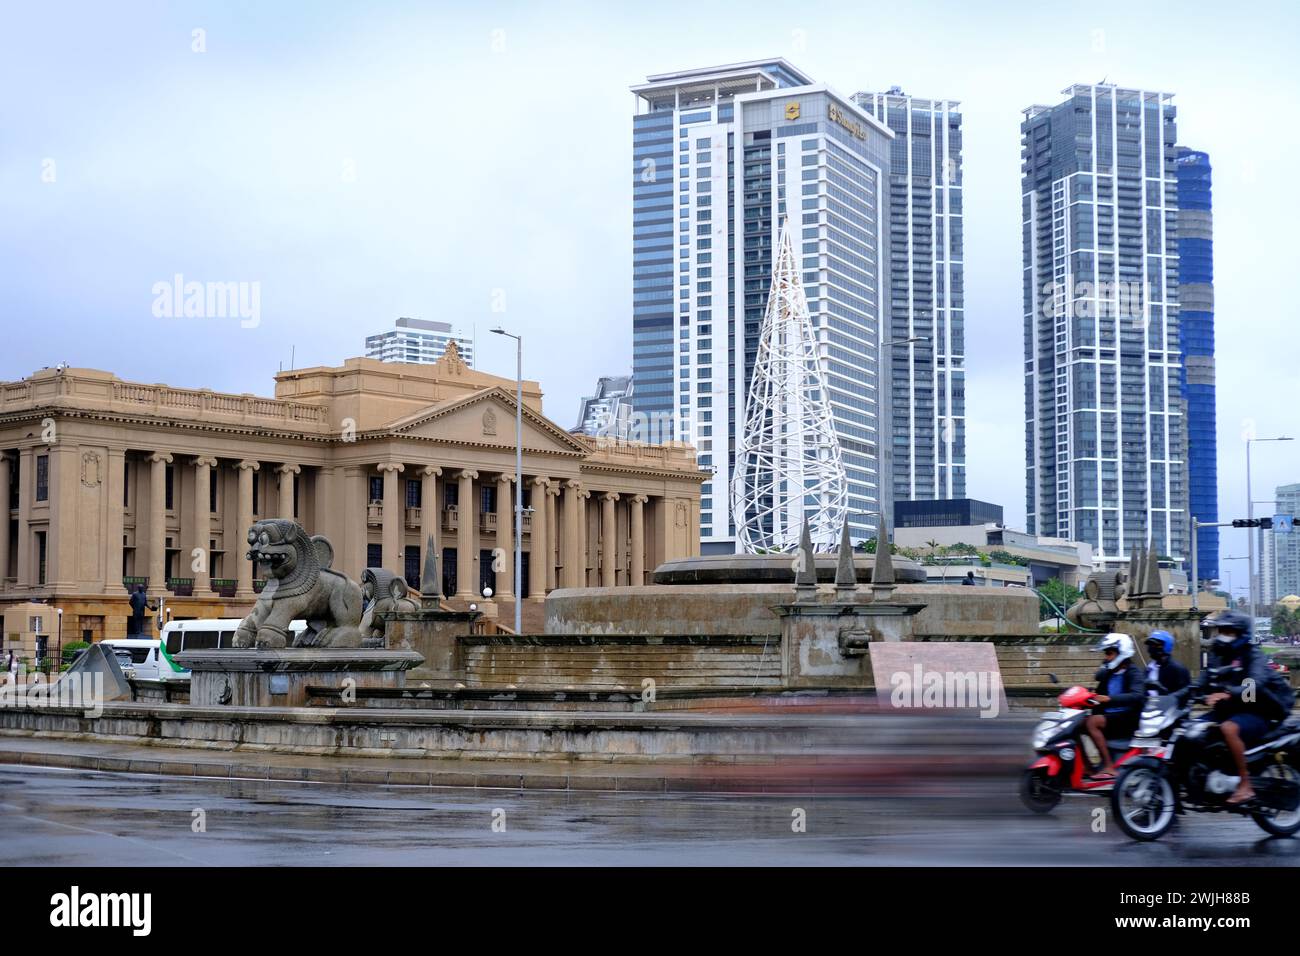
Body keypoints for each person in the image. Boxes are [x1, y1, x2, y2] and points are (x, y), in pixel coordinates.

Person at [1195, 609, 1295, 805]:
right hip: (1228, 710)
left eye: (1229, 631)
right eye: (1221, 630)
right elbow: (1204, 679)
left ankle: (1245, 784)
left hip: (1257, 711)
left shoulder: (1253, 655)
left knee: (1228, 729)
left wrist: (1228, 692)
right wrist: (1189, 692)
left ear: (1241, 634)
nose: (1223, 635)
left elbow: (1254, 685)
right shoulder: (1218, 654)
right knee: (1191, 731)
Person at [1084, 633, 1145, 780]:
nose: (1106, 657)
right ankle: (1088, 767)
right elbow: (1099, 693)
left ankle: (1109, 766)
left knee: (1092, 722)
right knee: (1078, 723)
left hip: (1127, 718)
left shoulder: (1134, 673)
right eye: (1106, 653)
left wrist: (1109, 699)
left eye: (1109, 653)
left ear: (1122, 653)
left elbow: (1137, 695)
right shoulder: (1109, 673)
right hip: (1110, 717)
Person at [1143, 630, 1190, 697]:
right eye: (1150, 645)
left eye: (1155, 645)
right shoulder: (1149, 668)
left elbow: (1186, 692)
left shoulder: (1177, 669)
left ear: (1165, 646)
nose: (1152, 648)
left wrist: (1163, 691)